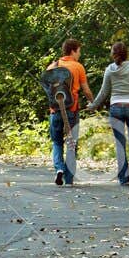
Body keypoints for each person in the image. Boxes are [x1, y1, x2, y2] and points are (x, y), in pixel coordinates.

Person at [88, 42, 129, 185]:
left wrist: (93, 105)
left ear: (113, 54)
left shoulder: (109, 70)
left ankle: (124, 177)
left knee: (120, 143)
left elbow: (104, 92)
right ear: (126, 53)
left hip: (116, 108)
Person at [45, 37, 93, 186]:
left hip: (55, 110)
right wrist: (93, 101)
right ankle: (69, 179)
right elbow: (86, 90)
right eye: (79, 51)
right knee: (72, 144)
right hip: (71, 110)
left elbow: (47, 88)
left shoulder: (53, 66)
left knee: (57, 142)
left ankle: (59, 169)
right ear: (73, 51)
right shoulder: (78, 67)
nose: (79, 54)